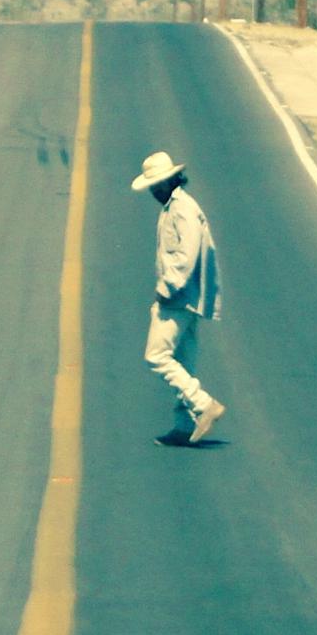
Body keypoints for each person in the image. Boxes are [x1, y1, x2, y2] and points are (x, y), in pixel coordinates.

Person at [130, 149, 223, 444]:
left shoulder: (182, 209)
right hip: (188, 298)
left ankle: (204, 404)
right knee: (183, 362)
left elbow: (187, 255)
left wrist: (166, 289)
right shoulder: (173, 207)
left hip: (179, 297)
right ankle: (184, 425)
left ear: (168, 181)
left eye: (155, 185)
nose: (153, 192)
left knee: (156, 356)